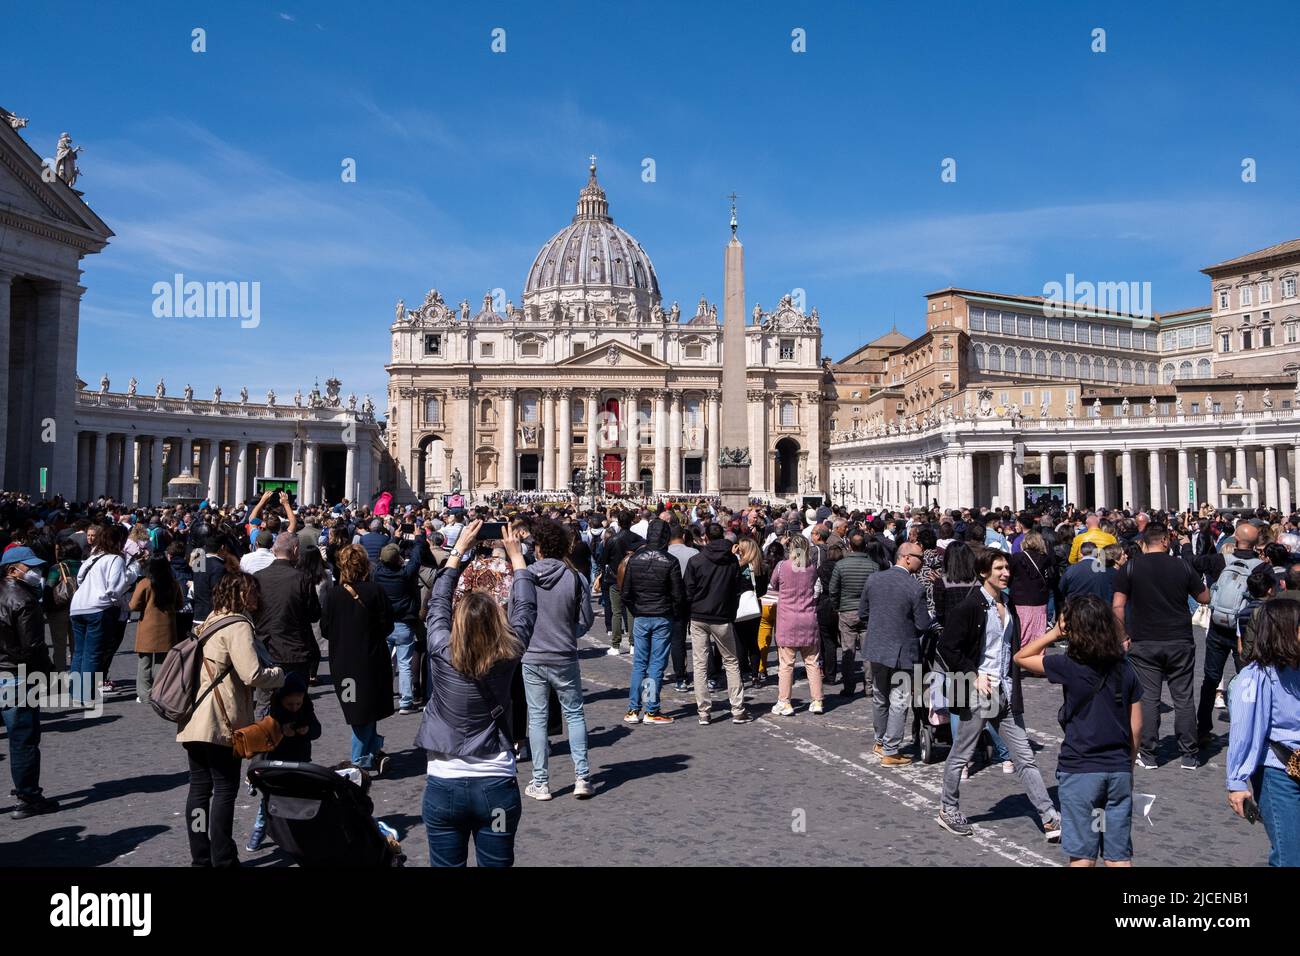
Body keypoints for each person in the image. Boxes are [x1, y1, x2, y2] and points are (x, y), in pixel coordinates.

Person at [416, 520, 536, 867]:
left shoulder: (440, 648)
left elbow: (438, 601)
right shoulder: (509, 653)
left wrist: (457, 553)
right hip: (495, 789)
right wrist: (517, 557)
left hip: (444, 788)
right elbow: (527, 609)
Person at [936, 550, 1062, 841]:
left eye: (1007, 568)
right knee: (961, 755)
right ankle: (948, 808)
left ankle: (1049, 817)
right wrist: (972, 674)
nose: (1006, 573)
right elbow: (947, 647)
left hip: (1003, 690)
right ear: (984, 573)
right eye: (999, 569)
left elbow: (1009, 650)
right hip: (979, 692)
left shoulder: (1008, 604)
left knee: (1025, 757)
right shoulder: (971, 606)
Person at [1016, 595, 1142, 866]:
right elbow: (1137, 725)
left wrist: (1054, 632)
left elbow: (1021, 657)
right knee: (1119, 856)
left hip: (1081, 767)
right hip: (1117, 769)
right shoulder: (1125, 668)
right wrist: (1128, 765)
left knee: (1083, 856)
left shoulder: (1068, 666)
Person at [177, 572, 285, 866]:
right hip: (220, 721)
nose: (256, 598)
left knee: (199, 791)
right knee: (224, 790)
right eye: (252, 592)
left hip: (194, 719)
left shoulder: (210, 620)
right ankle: (223, 858)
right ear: (240, 595)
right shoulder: (237, 626)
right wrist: (279, 675)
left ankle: (201, 857)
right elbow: (252, 674)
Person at [1112, 524, 1209, 769]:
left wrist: (1122, 636)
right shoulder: (1182, 566)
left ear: (1145, 542)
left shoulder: (1130, 567)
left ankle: (1149, 754)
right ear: (1166, 541)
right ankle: (1189, 754)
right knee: (1184, 698)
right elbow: (1204, 597)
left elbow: (1117, 606)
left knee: (1149, 699)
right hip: (1179, 640)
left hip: (1144, 641)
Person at [520, 519, 594, 800]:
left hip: (533, 655)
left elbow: (517, 617)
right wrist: (568, 633)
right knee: (574, 714)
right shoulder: (575, 577)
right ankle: (582, 777)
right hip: (564, 654)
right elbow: (585, 621)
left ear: (537, 548)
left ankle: (541, 782)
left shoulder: (525, 577)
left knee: (537, 719)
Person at [1226, 599, 1300, 867]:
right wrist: (1236, 782)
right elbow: (1243, 732)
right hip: (1277, 773)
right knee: (1290, 856)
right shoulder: (1255, 678)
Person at [321, 544, 395, 776]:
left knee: (359, 709)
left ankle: (371, 749)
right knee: (364, 710)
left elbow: (325, 629)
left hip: (344, 661)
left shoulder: (333, 595)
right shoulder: (375, 591)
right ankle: (362, 758)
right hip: (371, 659)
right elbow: (387, 625)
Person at [859, 541, 934, 765]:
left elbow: (863, 612)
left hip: (877, 646)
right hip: (903, 651)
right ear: (906, 557)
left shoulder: (874, 579)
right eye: (920, 557)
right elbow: (922, 624)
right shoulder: (914, 587)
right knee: (899, 700)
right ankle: (891, 750)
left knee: (880, 697)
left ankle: (880, 742)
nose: (923, 561)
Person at [0, 547, 57, 819]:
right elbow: (33, 646)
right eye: (29, 567)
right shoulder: (24, 599)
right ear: (13, 570)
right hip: (16, 675)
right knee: (23, 737)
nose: (34, 572)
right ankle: (28, 796)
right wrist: (47, 674)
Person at [1195, 522, 1264, 745]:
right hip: (1244, 630)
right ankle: (1245, 729)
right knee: (1246, 680)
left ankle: (1203, 729)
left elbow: (1193, 563)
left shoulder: (1219, 560)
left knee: (1210, 679)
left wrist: (1187, 545)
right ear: (1257, 543)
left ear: (1235, 539)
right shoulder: (1261, 567)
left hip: (1217, 627)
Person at [619, 518, 685, 725]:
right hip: (662, 616)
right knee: (656, 665)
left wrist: (636, 610)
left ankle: (633, 709)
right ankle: (651, 709)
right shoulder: (670, 561)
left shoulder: (635, 559)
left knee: (639, 663)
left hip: (641, 616)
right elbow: (678, 595)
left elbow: (626, 592)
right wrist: (672, 613)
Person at [246, 672, 322, 851]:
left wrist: (308, 730)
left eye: (298, 703)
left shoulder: (306, 710)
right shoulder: (272, 714)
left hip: (300, 761)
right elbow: (261, 740)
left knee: (298, 798)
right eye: (290, 704)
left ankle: (296, 835)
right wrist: (281, 732)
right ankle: (259, 830)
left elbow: (317, 730)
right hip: (275, 764)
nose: (295, 707)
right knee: (270, 800)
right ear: (280, 700)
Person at [684, 523, 749, 725]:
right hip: (722, 617)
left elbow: (688, 590)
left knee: (700, 664)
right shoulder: (732, 562)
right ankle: (737, 708)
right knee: (731, 662)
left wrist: (691, 611)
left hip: (699, 616)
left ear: (706, 538)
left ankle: (704, 711)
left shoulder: (696, 560)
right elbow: (737, 589)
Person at [252, 533, 322, 717]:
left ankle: (263, 741)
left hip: (266, 649)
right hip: (295, 650)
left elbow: (251, 612)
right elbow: (314, 614)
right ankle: (291, 740)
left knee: (265, 702)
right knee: (295, 704)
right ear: (296, 550)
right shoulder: (302, 578)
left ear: (275, 550)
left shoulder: (258, 577)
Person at [69, 523, 137, 707]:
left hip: (77, 606)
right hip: (98, 608)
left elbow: (80, 578)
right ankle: (87, 695)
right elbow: (114, 589)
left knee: (79, 652)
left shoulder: (93, 557)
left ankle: (76, 692)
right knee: (93, 654)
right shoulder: (115, 559)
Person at [768, 534, 824, 716]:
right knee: (812, 663)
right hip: (808, 619)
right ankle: (817, 700)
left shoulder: (782, 566)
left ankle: (785, 702)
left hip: (787, 620)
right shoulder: (811, 568)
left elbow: (773, 585)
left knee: (786, 664)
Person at [375, 531, 429, 715]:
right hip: (403, 623)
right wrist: (419, 537)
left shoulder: (378, 572)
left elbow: (386, 554)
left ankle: (383, 696)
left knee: (385, 664)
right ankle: (406, 701)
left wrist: (394, 538)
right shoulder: (405, 573)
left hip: (384, 624)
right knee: (405, 663)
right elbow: (416, 557)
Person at [828, 529, 880, 696]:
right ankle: (869, 687)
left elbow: (833, 590)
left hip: (847, 610)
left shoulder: (841, 565)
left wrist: (837, 607)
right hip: (867, 612)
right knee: (868, 652)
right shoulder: (873, 566)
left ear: (849, 544)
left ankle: (849, 686)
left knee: (847, 651)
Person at [130, 554, 181, 702]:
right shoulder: (173, 583)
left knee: (144, 662)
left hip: (147, 626)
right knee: (162, 662)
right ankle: (160, 693)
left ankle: (144, 694)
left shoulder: (145, 583)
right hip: (167, 627)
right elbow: (179, 604)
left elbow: (133, 605)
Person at [732, 537, 768, 691]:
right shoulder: (761, 567)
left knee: (739, 642)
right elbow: (763, 590)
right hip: (755, 607)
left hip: (739, 606)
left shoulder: (737, 566)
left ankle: (740, 675)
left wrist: (733, 556)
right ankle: (755, 675)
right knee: (753, 642)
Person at [1009, 530, 1053, 648]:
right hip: (1040, 598)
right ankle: (1036, 654)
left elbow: (1010, 576)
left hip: (1020, 598)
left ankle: (1020, 654)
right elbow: (1051, 577)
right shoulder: (1045, 558)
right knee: (1038, 630)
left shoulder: (1017, 557)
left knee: (1022, 630)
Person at [43, 540, 81, 672]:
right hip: (79, 609)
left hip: (59, 610)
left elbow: (49, 588)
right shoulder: (84, 566)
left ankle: (60, 677)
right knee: (77, 646)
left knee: (59, 647)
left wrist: (46, 609)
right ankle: (78, 675)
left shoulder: (57, 568)